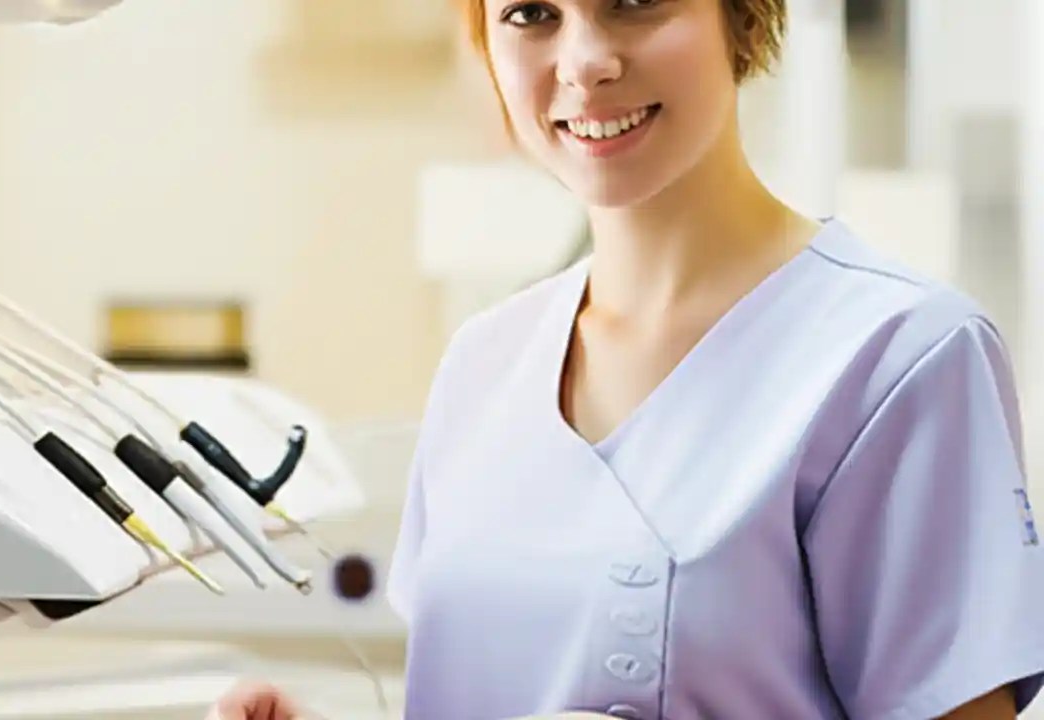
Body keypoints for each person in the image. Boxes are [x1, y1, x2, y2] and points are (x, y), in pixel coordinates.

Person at [212, 0, 1044, 718]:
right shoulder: (484, 363)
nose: (584, 61)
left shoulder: (899, 357)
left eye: (635, 0)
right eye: (532, 14)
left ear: (741, 16)